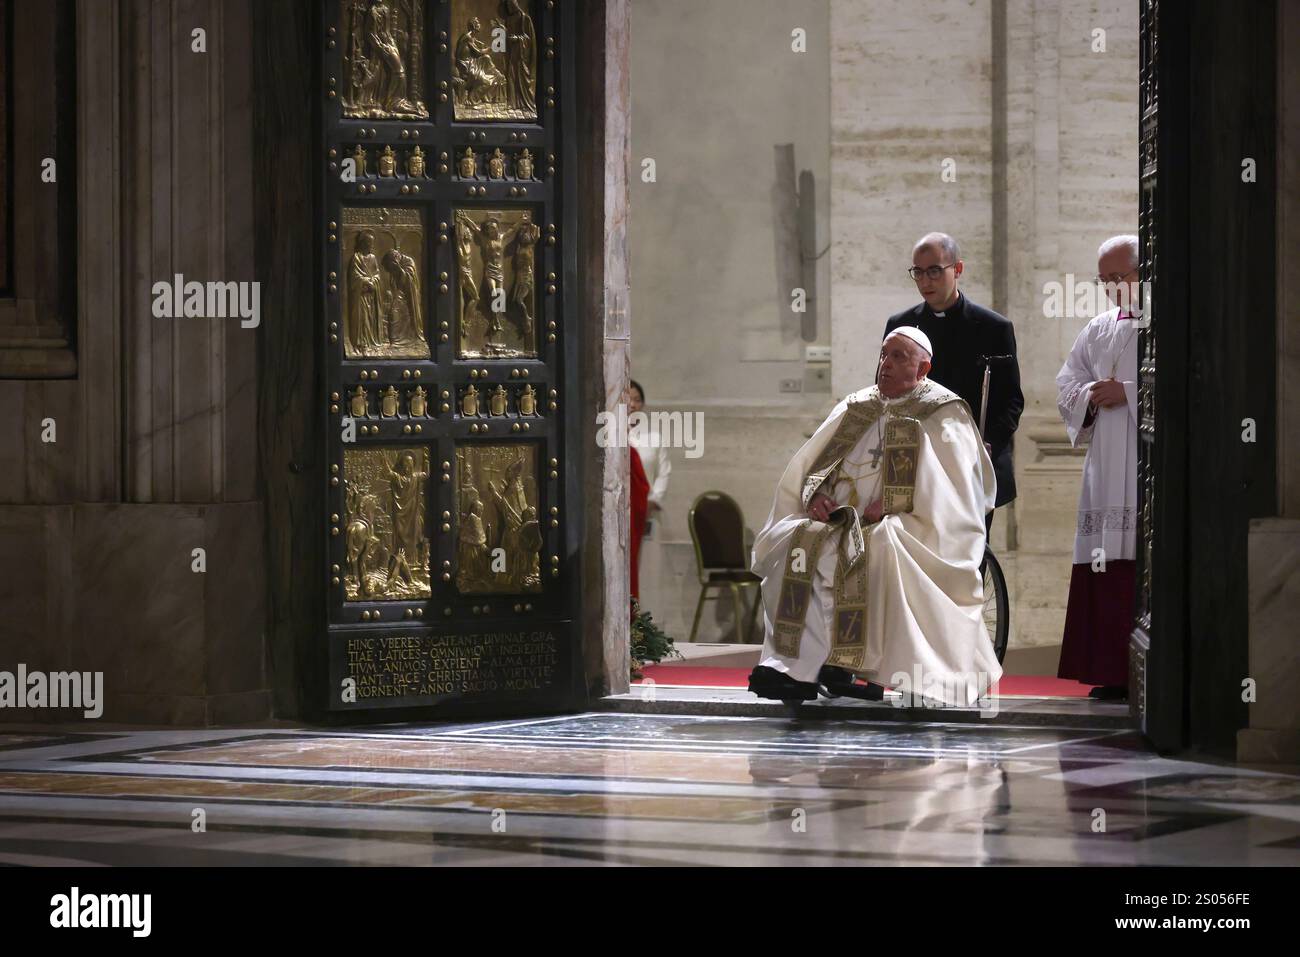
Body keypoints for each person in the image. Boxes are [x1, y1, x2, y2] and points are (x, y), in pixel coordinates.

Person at [747, 328, 1002, 706]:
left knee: (883, 546)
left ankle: (851, 663)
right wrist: (815, 493)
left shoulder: (943, 412)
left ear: (924, 367)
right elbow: (813, 464)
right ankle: (791, 669)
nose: (886, 364)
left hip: (910, 523)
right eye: (884, 354)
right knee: (792, 541)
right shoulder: (857, 405)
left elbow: (958, 491)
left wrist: (897, 501)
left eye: (899, 357)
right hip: (838, 520)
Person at [884, 232, 1023, 533]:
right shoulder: (901, 326)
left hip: (970, 463)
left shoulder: (993, 328)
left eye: (934, 270)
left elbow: (1011, 400)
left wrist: (989, 443)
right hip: (917, 460)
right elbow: (886, 389)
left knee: (968, 560)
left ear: (957, 270)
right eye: (917, 272)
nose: (925, 281)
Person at [1054, 235, 1141, 701]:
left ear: (1144, 271)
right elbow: (1067, 381)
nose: (1111, 288)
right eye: (1104, 280)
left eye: (1119, 277)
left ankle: (1147, 673)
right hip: (1106, 466)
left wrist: (1129, 392)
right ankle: (1110, 670)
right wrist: (1091, 395)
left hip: (1143, 465)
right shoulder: (1100, 327)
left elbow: (1191, 380)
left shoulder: (1166, 322)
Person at [626, 380, 671, 535]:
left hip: (647, 511)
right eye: (627, 399)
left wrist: (653, 501)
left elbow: (663, 473)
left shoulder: (654, 438)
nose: (632, 405)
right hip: (621, 512)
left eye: (637, 400)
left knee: (647, 558)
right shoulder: (610, 437)